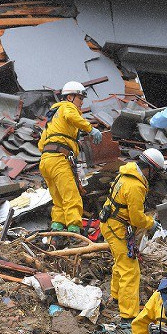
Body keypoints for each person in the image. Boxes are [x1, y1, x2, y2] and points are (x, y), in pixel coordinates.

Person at [100, 149, 165, 325]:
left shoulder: (125, 174)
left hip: (111, 223)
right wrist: (151, 223)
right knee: (130, 270)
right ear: (150, 168)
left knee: (121, 261)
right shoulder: (136, 186)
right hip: (117, 227)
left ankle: (116, 296)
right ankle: (128, 315)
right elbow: (136, 218)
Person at [38, 81, 103, 234]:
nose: (82, 102)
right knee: (71, 196)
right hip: (59, 160)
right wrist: (90, 129)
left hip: (46, 161)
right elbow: (71, 116)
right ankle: (74, 232)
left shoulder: (53, 117)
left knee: (58, 200)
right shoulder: (67, 107)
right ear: (70, 97)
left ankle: (57, 232)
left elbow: (41, 144)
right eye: (80, 98)